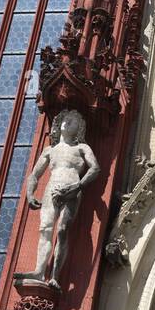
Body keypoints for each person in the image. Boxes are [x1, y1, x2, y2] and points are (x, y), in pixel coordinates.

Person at [21, 110, 99, 288]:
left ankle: (55, 276)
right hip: (52, 189)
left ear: (79, 128)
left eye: (72, 121)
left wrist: (77, 187)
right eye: (64, 119)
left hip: (71, 189)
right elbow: (34, 174)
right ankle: (39, 271)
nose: (66, 122)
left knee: (62, 230)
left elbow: (95, 168)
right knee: (45, 229)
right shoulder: (50, 150)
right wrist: (30, 194)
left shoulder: (82, 148)